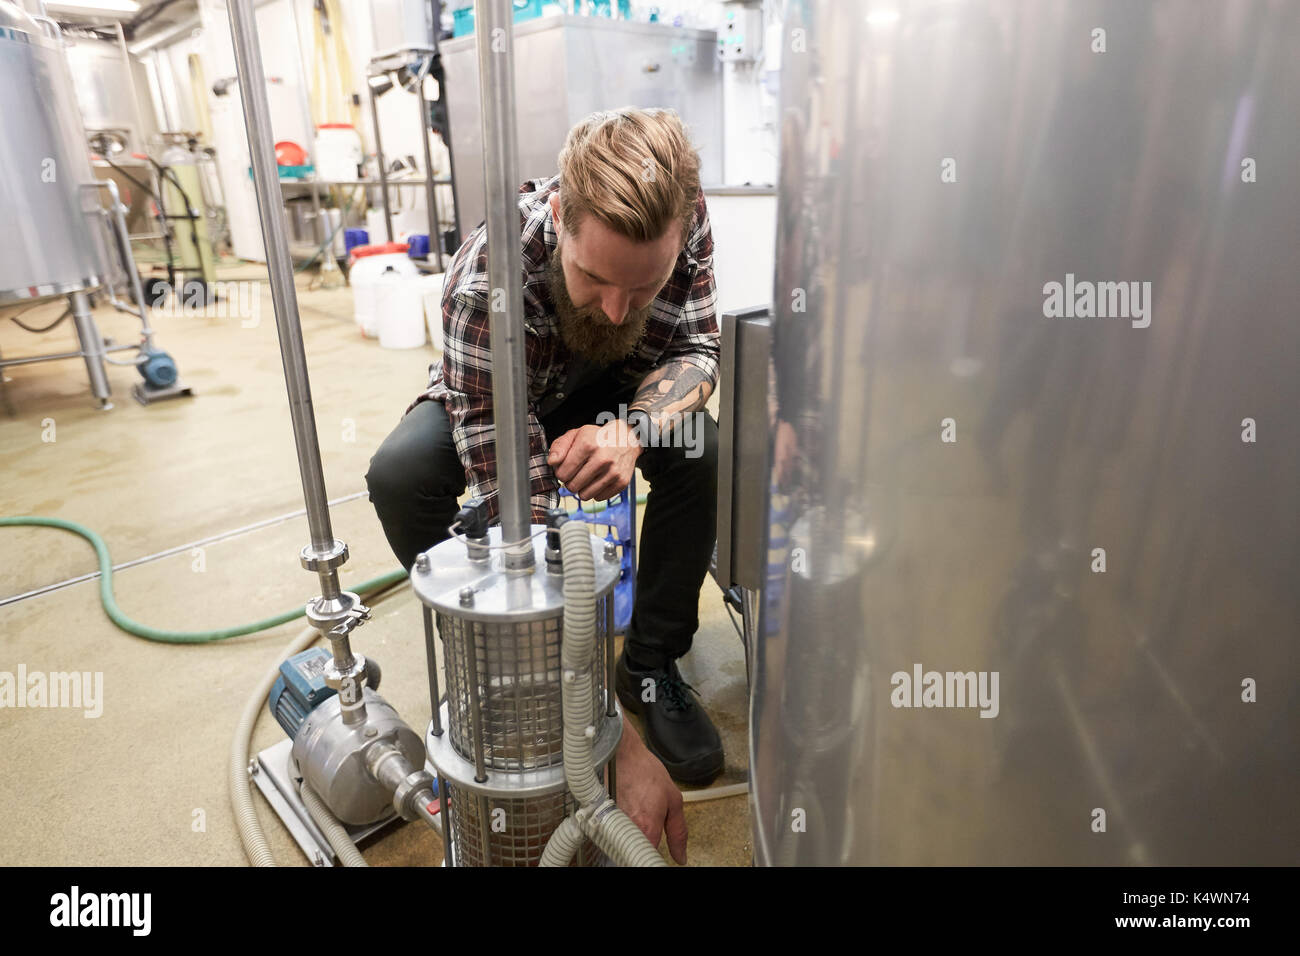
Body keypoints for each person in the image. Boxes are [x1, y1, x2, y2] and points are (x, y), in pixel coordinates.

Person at [365, 108, 724, 864]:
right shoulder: (483, 279)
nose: (620, 309)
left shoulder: (685, 218)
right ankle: (489, 654)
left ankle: (651, 666)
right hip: (504, 390)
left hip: (617, 395)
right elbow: (514, 522)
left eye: (644, 284)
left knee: (697, 450)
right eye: (594, 278)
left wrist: (628, 429)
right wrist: (610, 745)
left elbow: (696, 346)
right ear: (561, 216)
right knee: (401, 473)